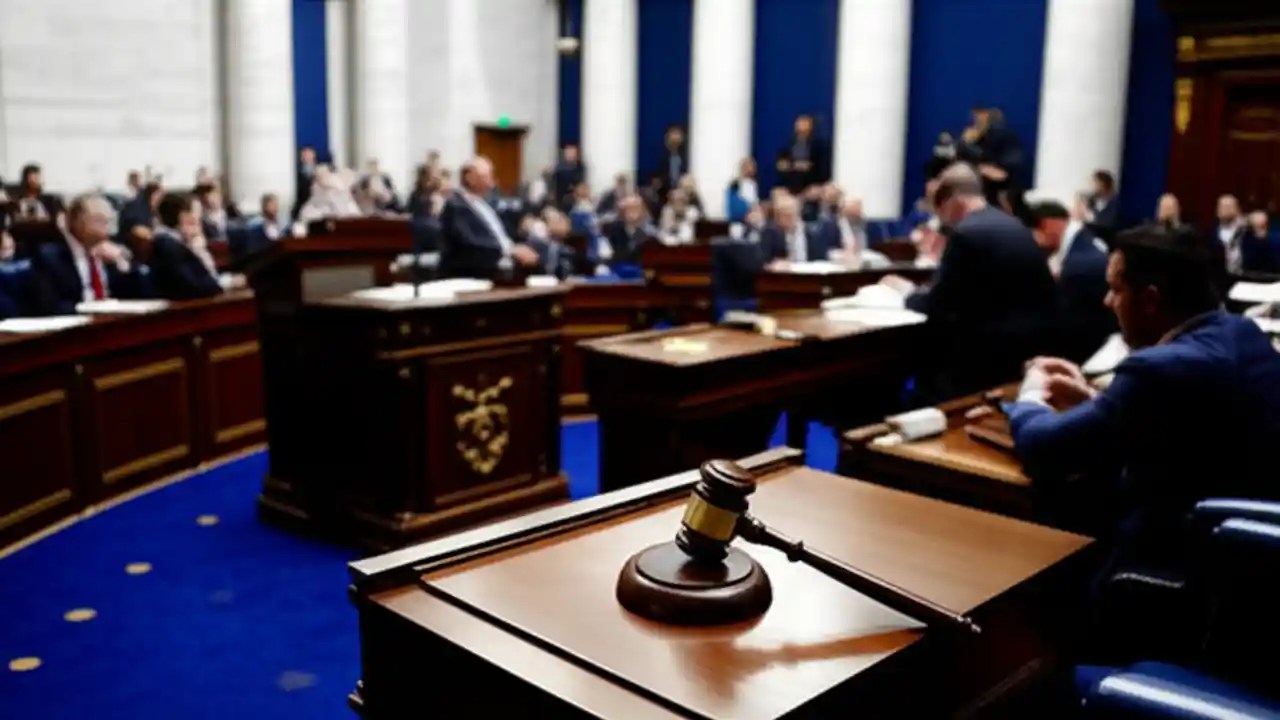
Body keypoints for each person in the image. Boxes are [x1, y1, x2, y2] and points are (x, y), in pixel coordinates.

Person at [1005, 223, 1280, 596]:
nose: (1107, 302)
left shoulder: (1157, 369)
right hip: (1247, 562)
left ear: (1150, 299)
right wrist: (1094, 400)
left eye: (1116, 290)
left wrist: (1031, 394)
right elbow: (1179, 425)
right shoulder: (1241, 332)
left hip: (1174, 566)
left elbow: (1045, 448)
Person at [881, 163, 1058, 400]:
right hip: (1026, 352)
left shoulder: (967, 232)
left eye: (940, 212)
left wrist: (905, 293)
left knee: (915, 362)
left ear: (952, 201)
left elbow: (936, 306)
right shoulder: (1012, 224)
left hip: (984, 364)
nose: (943, 223)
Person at [29, 194, 148, 315]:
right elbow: (49, 306)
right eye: (99, 220)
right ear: (76, 221)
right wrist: (89, 309)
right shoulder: (49, 257)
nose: (107, 229)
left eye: (109, 221)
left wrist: (123, 265)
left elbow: (139, 295)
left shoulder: (109, 253)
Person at [1031, 200, 1114, 362]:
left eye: (1036, 231)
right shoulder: (1086, 243)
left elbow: (1071, 330)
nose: (1036, 240)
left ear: (1048, 224)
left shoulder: (1078, 265)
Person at [439, 156, 539, 278]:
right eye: (486, 177)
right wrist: (509, 251)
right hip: (474, 271)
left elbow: (500, 232)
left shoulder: (483, 203)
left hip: (502, 265)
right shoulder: (455, 205)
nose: (492, 183)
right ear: (470, 178)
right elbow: (469, 243)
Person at [148, 193, 227, 300]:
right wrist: (198, 252)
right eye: (195, 218)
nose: (199, 223)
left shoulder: (170, 243)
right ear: (182, 217)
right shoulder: (171, 247)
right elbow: (205, 287)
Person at [761, 194, 837, 268]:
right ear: (777, 217)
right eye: (784, 215)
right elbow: (765, 260)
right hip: (784, 276)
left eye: (791, 214)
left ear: (798, 214)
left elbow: (822, 258)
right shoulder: (769, 233)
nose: (788, 219)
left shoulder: (812, 234)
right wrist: (774, 264)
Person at [599, 195, 659, 268]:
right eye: (629, 209)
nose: (632, 213)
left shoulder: (650, 235)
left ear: (642, 211)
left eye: (636, 208)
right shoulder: (612, 230)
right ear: (622, 211)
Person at [776, 115, 830, 194]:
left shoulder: (819, 146)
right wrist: (796, 165)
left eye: (805, 124)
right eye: (800, 124)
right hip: (789, 185)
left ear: (811, 127)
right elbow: (781, 165)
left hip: (812, 185)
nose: (802, 127)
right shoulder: (787, 145)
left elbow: (822, 168)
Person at [1085, 171, 1120, 244]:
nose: (1094, 185)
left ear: (1104, 183)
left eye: (1096, 182)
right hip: (1092, 237)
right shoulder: (1091, 199)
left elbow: (1109, 222)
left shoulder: (1115, 201)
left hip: (1107, 237)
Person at [1242, 209, 1280, 274]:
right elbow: (1247, 260)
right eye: (1255, 217)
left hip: (1274, 274)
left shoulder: (1276, 237)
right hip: (1250, 274)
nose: (1258, 219)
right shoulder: (1246, 238)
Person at [655, 125, 689, 199]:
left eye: (677, 134)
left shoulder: (687, 156)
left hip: (684, 192)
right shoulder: (663, 156)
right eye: (672, 134)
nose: (674, 137)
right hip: (666, 193)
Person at [725, 158, 759, 222]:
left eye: (752, 167)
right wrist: (749, 208)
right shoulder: (734, 185)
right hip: (738, 222)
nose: (749, 170)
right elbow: (733, 206)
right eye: (746, 167)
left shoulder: (755, 185)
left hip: (754, 220)